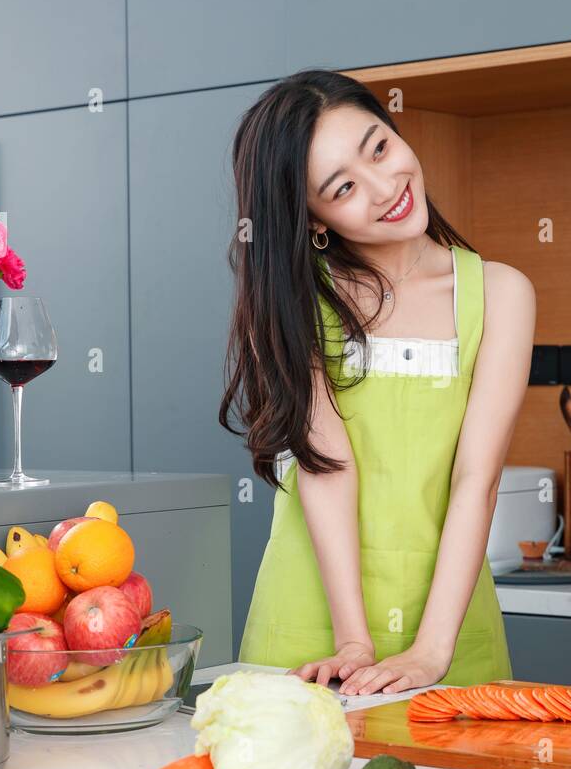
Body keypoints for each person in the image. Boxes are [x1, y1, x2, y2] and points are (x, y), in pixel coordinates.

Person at [220, 70, 535, 695]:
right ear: (311, 218)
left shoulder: (499, 294)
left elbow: (478, 478)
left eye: (380, 148)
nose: (385, 185)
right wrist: (353, 642)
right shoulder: (292, 307)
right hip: (311, 630)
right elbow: (325, 467)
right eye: (342, 188)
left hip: (448, 631)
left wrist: (430, 652)